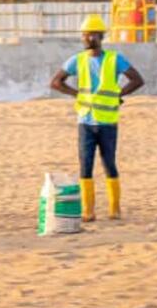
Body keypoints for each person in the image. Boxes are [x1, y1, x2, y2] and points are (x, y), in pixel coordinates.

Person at [51, 15, 144, 221]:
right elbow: (56, 82)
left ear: (100, 36)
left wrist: (119, 94)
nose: (85, 38)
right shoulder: (77, 60)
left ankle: (114, 208)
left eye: (90, 34)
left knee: (109, 164)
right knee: (86, 165)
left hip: (108, 121)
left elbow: (137, 80)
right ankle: (88, 210)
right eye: (84, 34)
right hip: (85, 120)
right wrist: (77, 94)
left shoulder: (114, 59)